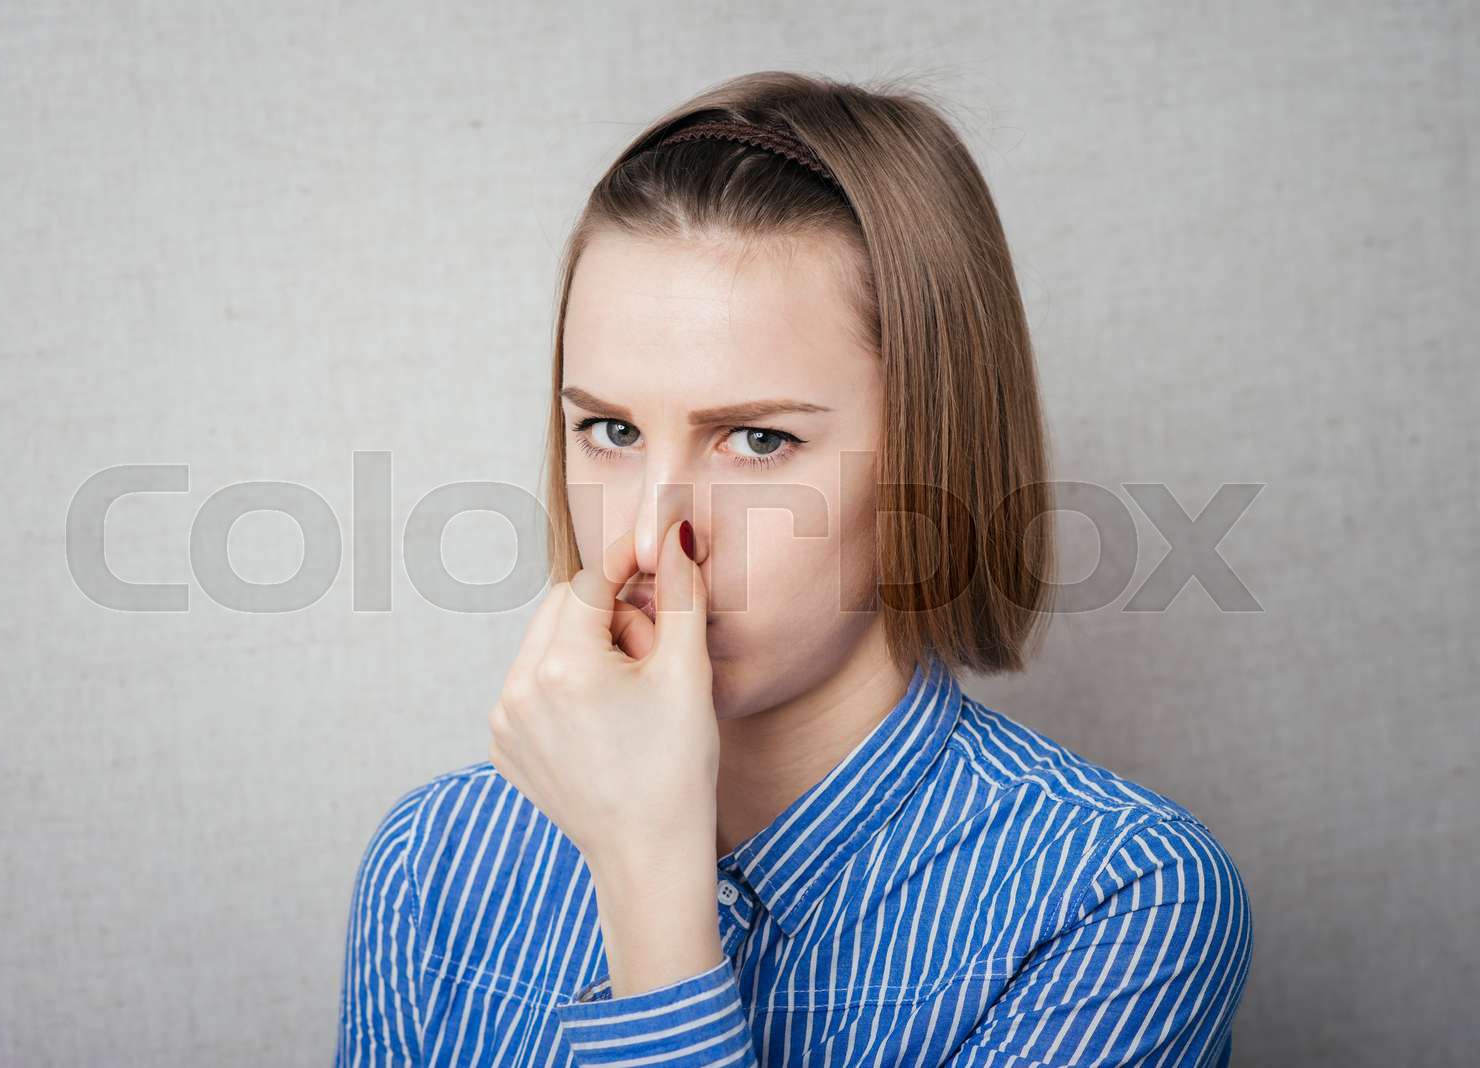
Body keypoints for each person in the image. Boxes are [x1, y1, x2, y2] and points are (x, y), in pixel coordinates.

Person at [335, 70, 1253, 1066]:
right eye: (609, 430)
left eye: (758, 442)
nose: (654, 539)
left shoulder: (1118, 897)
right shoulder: (436, 861)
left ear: (930, 461)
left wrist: (649, 880)